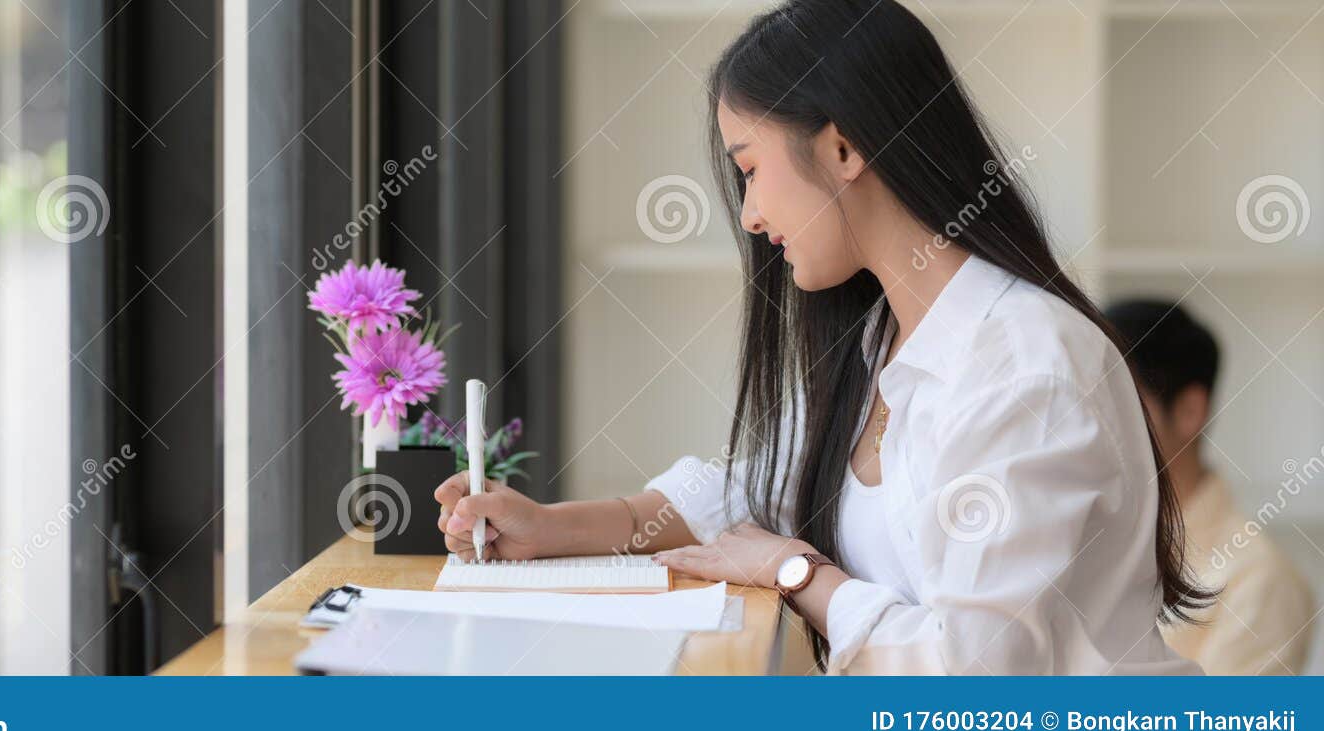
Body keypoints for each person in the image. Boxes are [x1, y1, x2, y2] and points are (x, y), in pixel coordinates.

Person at [434, 0, 1210, 674]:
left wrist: (797, 573)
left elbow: (972, 682)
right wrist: (550, 528)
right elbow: (750, 489)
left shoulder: (1025, 368)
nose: (747, 215)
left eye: (750, 169)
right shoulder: (883, 336)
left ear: (842, 149)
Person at [1105, 299, 1314, 674]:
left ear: (1189, 411)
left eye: (1120, 403)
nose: (1096, 427)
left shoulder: (1260, 580)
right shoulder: (1092, 545)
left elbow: (1214, 730)